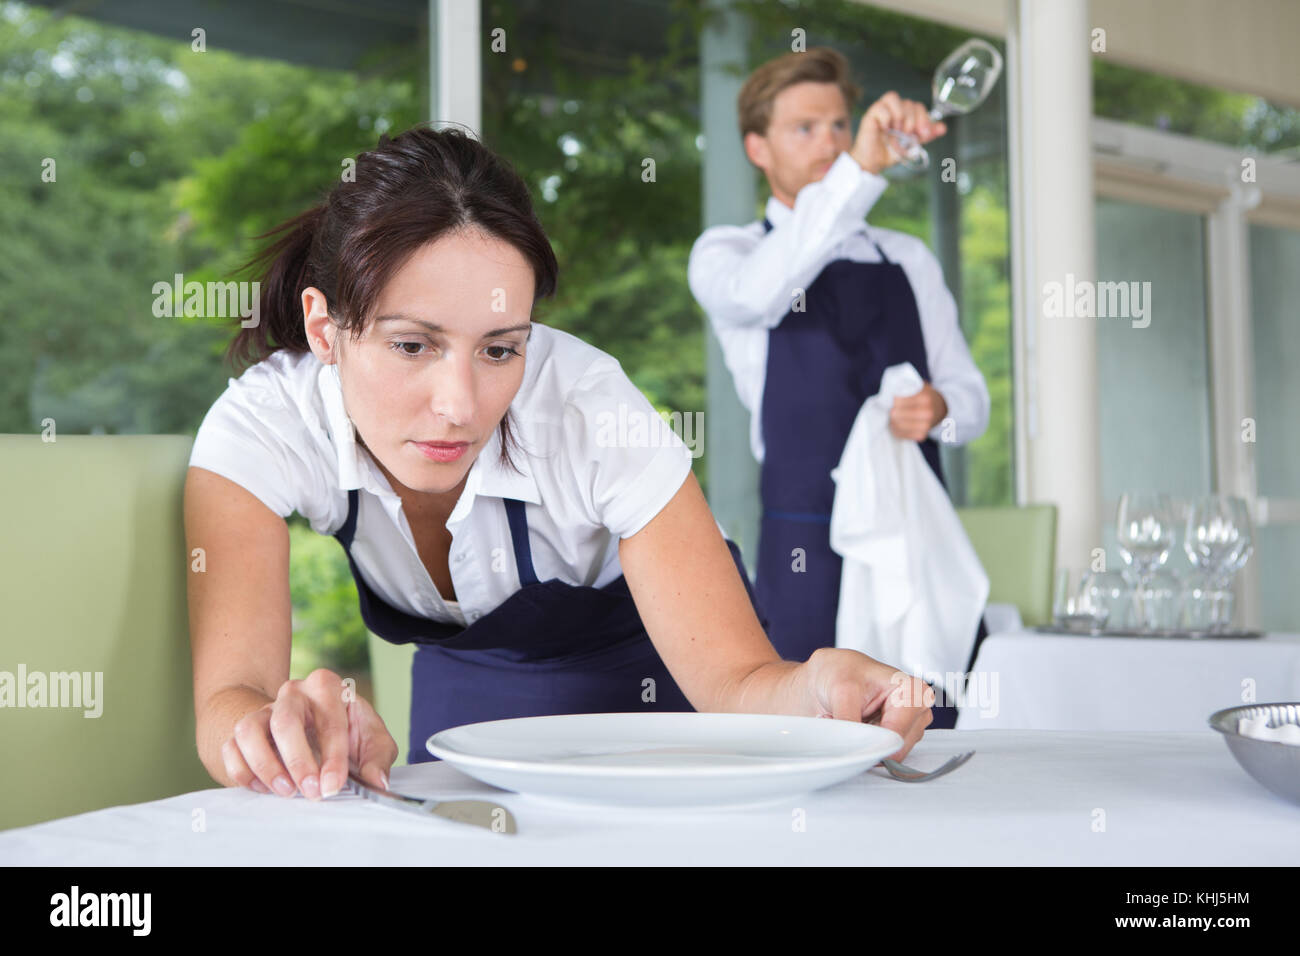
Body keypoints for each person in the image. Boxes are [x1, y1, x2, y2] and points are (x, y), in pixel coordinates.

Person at [185, 124, 935, 801]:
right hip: (468, 697)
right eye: (412, 345)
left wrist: (818, 688)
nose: (460, 404)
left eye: (500, 348)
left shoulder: (592, 411)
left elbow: (738, 683)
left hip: (660, 691)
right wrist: (288, 733)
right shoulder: (265, 426)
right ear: (324, 327)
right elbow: (233, 695)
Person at [687, 48, 990, 728]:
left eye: (839, 125)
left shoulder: (907, 258)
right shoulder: (729, 255)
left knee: (931, 727)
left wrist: (941, 409)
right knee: (805, 733)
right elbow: (765, 290)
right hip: (805, 545)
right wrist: (861, 170)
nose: (829, 141)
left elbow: (972, 399)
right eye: (806, 128)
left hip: (912, 533)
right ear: (756, 147)